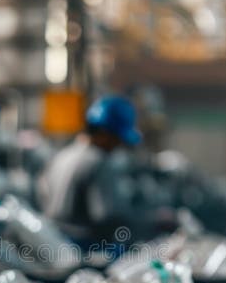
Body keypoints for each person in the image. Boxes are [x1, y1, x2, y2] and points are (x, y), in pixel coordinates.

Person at [38, 95, 148, 246]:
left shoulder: (61, 156)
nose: (117, 146)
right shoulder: (98, 162)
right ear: (103, 133)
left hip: (54, 244)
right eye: (116, 139)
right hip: (87, 249)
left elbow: (42, 197)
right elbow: (106, 216)